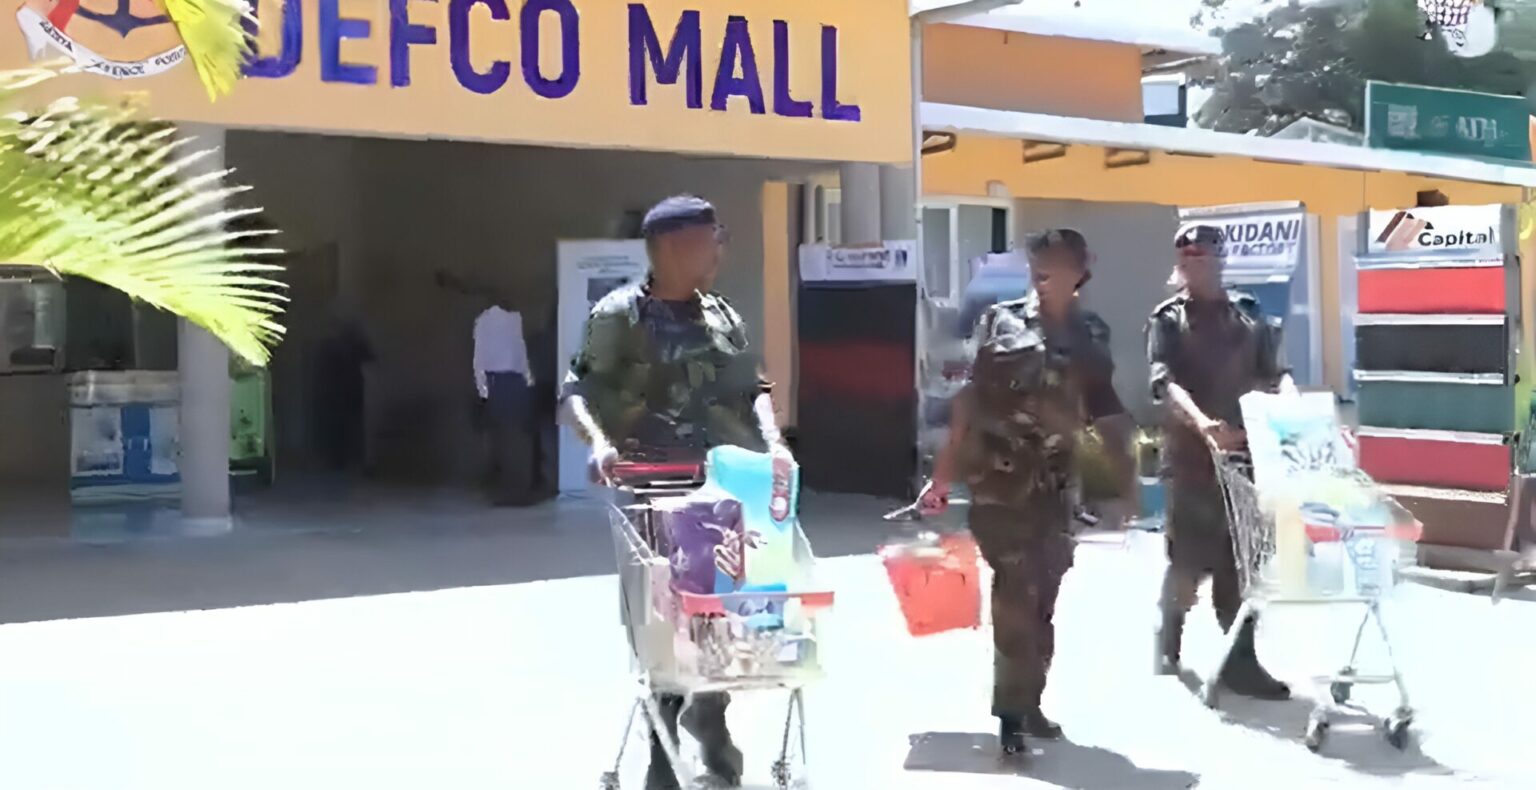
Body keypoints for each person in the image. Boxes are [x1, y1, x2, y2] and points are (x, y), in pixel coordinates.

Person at [562, 195, 784, 789]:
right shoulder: (619, 316)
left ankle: (712, 728)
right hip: (653, 490)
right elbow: (577, 391)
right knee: (662, 630)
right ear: (671, 247)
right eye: (712, 238)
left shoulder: (721, 314)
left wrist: (773, 439)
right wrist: (598, 443)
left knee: (717, 624)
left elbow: (752, 386)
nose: (720, 249)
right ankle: (663, 757)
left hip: (724, 489)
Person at [921, 229, 1138, 755]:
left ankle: (1031, 702)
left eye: (1056, 262)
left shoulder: (1092, 333)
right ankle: (1011, 714)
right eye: (1038, 260)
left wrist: (1122, 482)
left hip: (1057, 486)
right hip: (1000, 481)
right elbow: (969, 399)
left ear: (1080, 271)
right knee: (1016, 591)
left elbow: (1104, 408)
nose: (1043, 270)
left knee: (1046, 595)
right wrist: (943, 472)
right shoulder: (1000, 321)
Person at [1146, 223, 1295, 699]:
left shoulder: (1248, 316)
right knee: (1188, 563)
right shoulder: (1169, 319)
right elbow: (1163, 382)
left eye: (1204, 257)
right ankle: (1169, 635)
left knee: (1242, 564)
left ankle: (1240, 663)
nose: (1195, 265)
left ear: (1220, 261)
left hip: (1246, 459)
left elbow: (1275, 375)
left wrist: (1296, 411)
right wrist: (1202, 423)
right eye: (1187, 258)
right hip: (1192, 460)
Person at [474, 294, 536, 506]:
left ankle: (507, 491)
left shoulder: (483, 321)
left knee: (502, 439)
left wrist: (482, 391)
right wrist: (528, 380)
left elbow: (479, 359)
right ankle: (520, 490)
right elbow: (521, 352)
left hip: (496, 383)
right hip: (516, 381)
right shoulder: (514, 319)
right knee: (518, 437)